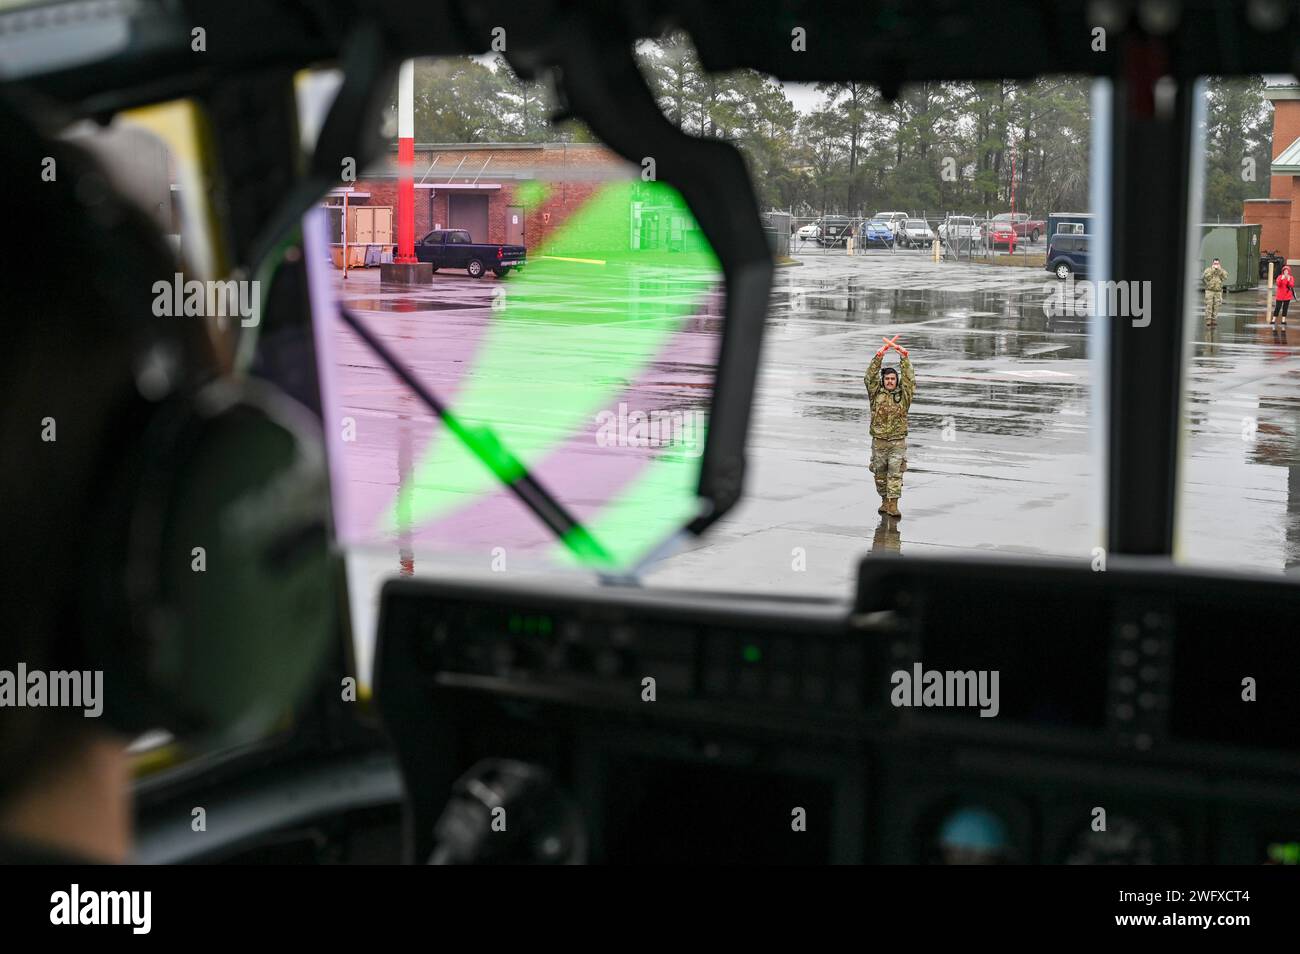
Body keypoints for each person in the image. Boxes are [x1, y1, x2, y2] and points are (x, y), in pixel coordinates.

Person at [864, 335, 916, 518]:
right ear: (883, 380)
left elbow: (909, 381)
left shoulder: (903, 396)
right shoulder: (876, 394)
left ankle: (893, 505)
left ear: (897, 380)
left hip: (897, 441)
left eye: (893, 379)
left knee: (895, 473)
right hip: (879, 441)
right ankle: (884, 502)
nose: (890, 382)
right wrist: (878, 357)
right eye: (887, 379)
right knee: (880, 474)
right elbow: (869, 378)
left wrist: (905, 358)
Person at [1203, 257, 1229, 326]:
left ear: (1219, 264)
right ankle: (1208, 320)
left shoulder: (1221, 271)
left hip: (1218, 291)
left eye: (1217, 263)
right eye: (1215, 263)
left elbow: (1225, 277)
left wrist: (1219, 270)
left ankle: (1214, 319)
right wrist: (1212, 270)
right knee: (1209, 305)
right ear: (1212, 263)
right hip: (1210, 291)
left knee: (1216, 305)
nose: (1216, 265)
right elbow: (1207, 277)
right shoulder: (1208, 270)